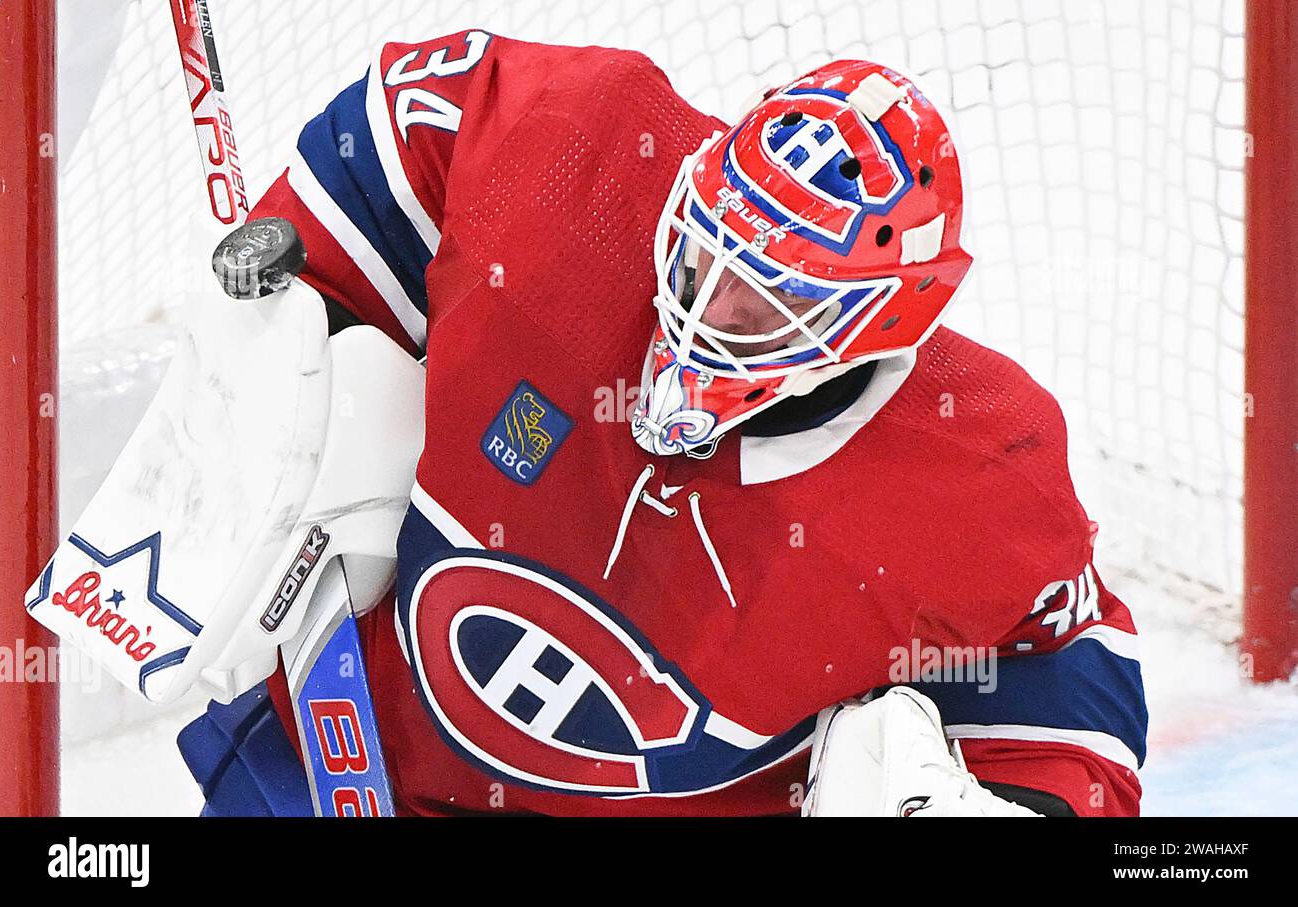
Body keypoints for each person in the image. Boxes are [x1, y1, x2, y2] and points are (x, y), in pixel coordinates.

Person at [178, 29, 1146, 816]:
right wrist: (325, 285)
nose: (708, 309)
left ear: (881, 317)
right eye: (701, 257)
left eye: (767, 301)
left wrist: (1033, 806)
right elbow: (415, 122)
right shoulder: (587, 162)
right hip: (343, 749)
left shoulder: (977, 465)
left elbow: (1057, 649)